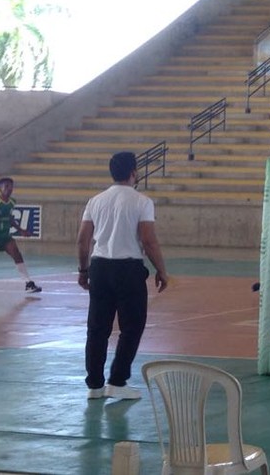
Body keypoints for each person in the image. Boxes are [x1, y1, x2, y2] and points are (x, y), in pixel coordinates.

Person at [77, 152, 169, 401]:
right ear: (134, 172)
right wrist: (161, 269)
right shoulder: (142, 202)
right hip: (128, 270)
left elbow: (83, 239)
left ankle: (94, 385)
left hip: (99, 267)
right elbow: (148, 240)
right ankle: (117, 381)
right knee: (132, 326)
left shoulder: (95, 201)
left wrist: (83, 270)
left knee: (97, 328)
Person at [0, 177, 42, 293]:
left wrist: (21, 230)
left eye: (11, 186)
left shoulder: (12, 202)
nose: (9, 188)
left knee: (17, 254)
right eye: (6, 186)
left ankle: (28, 283)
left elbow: (10, 218)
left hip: (4, 235)